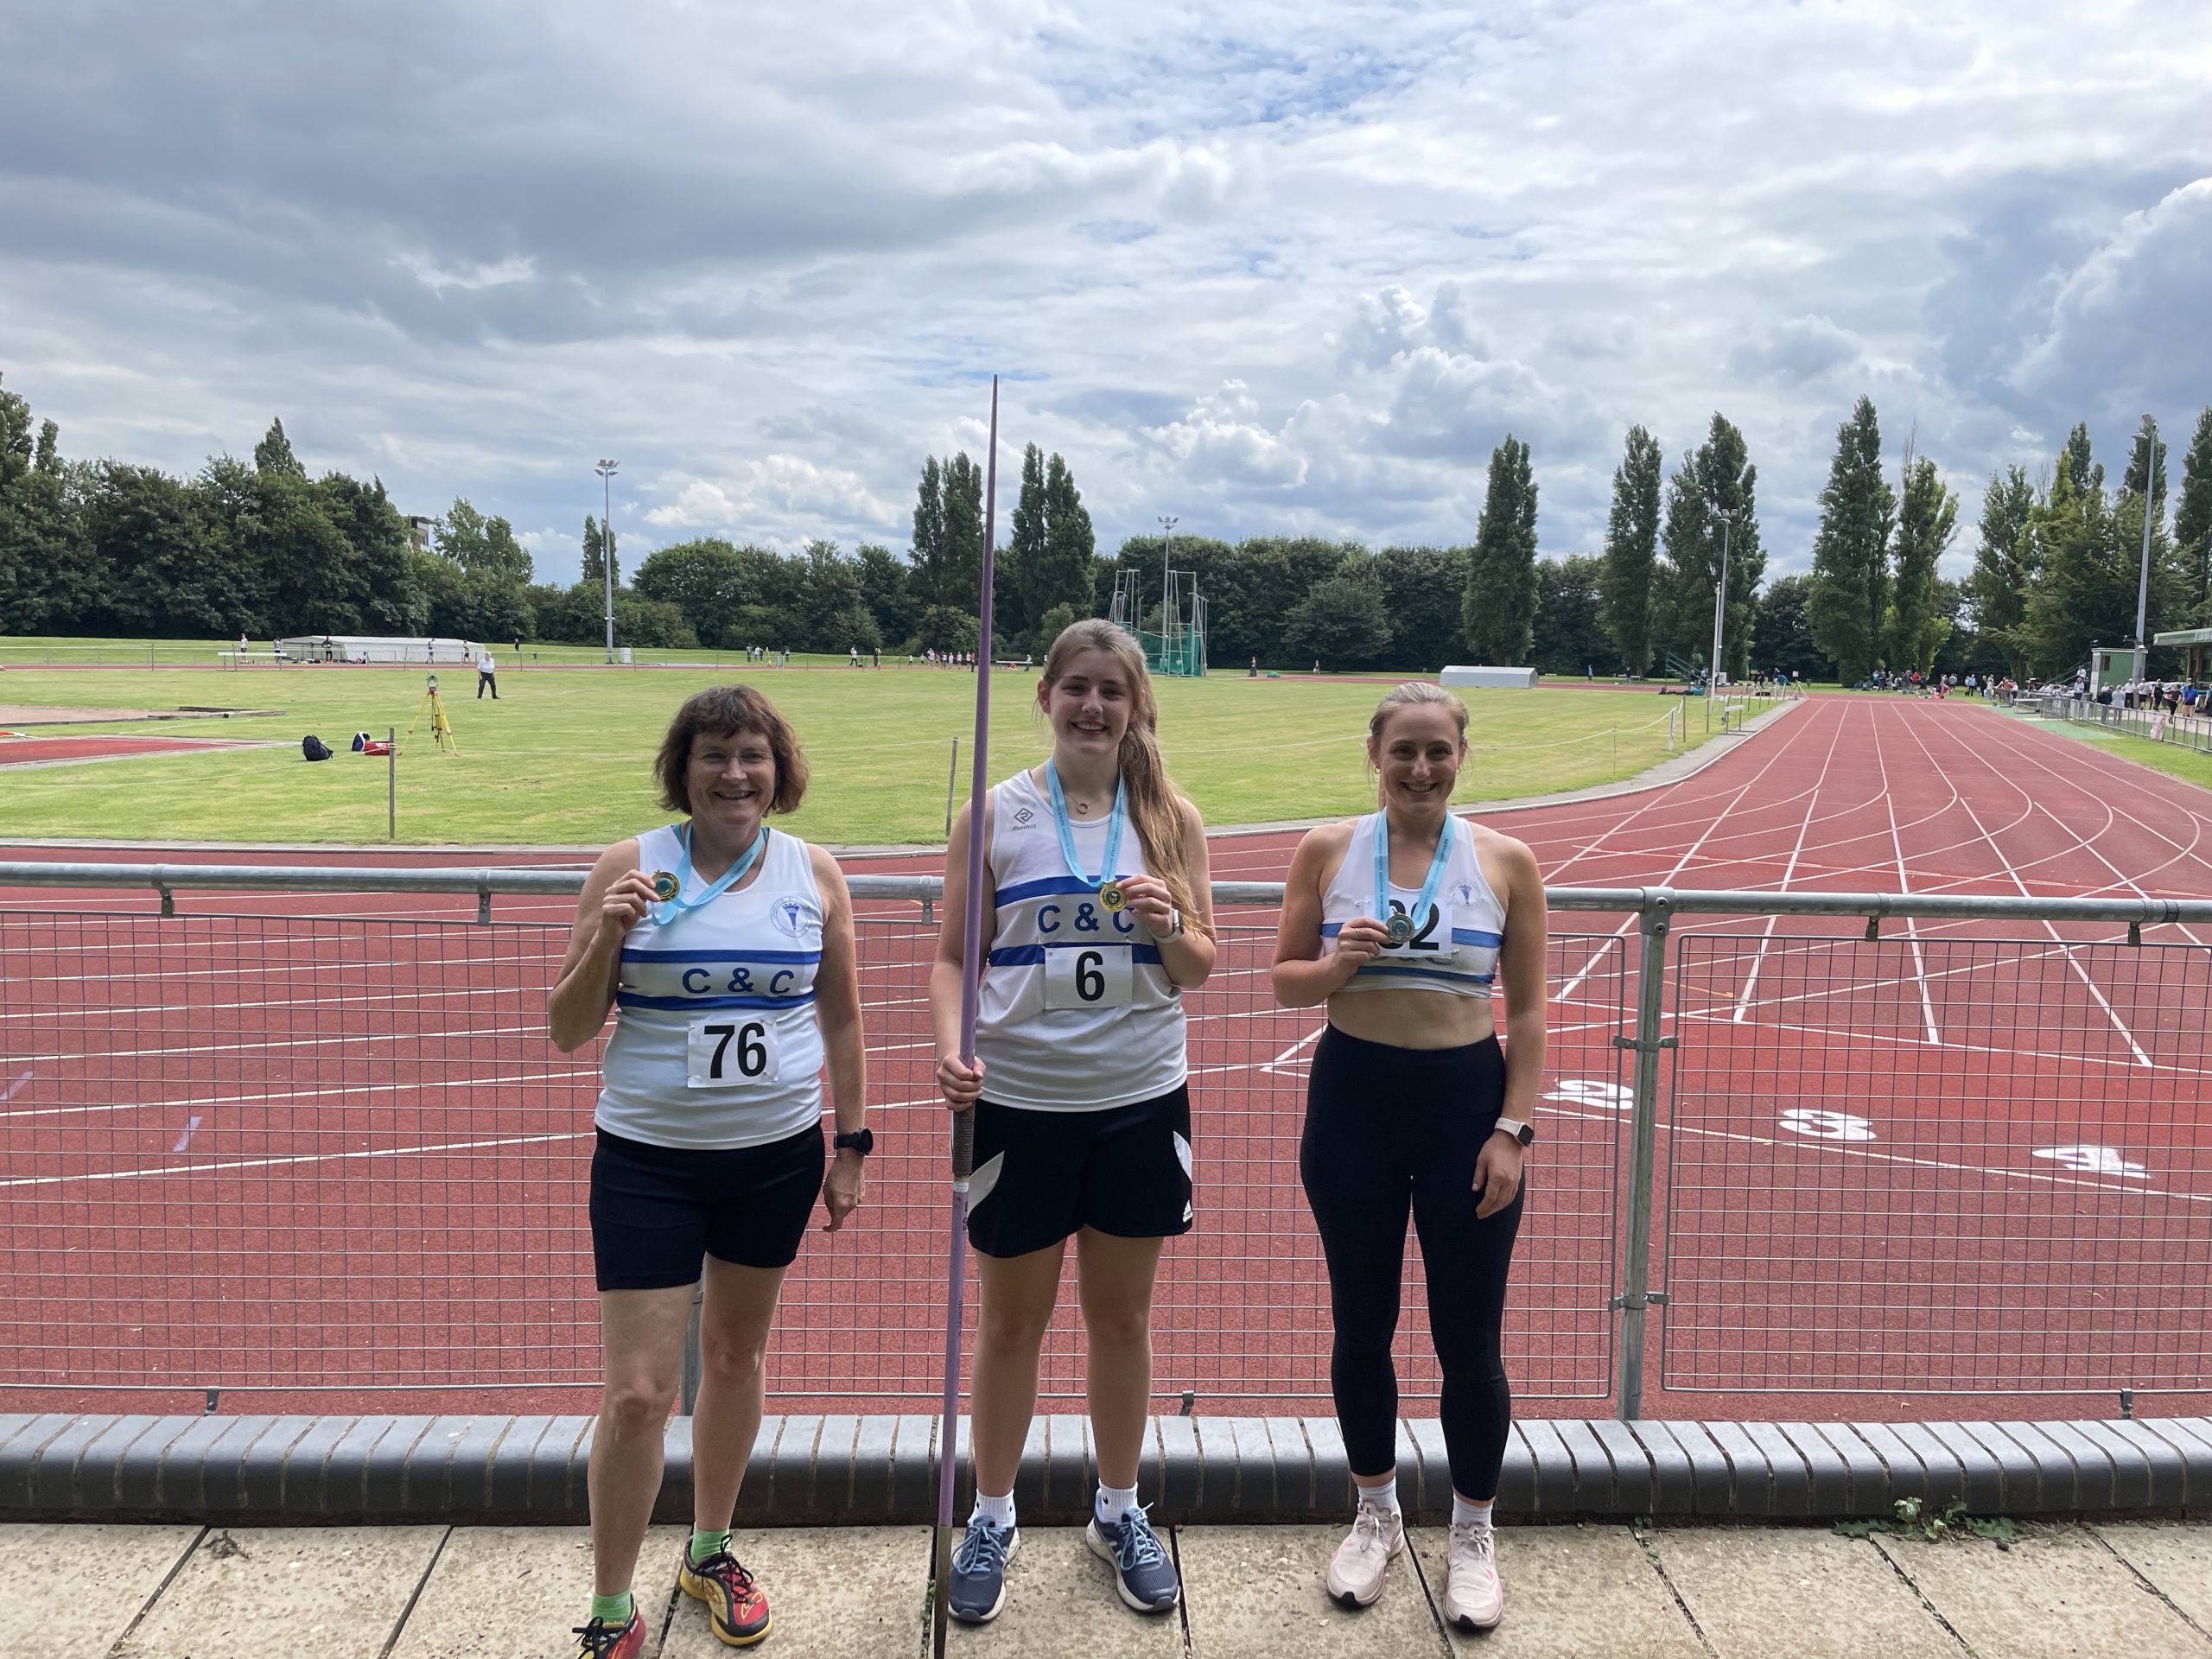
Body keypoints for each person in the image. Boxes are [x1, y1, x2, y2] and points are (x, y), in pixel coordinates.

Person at [547, 685, 871, 1659]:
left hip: (774, 1156)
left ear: (780, 768)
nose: (736, 774)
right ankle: (611, 1607)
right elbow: (566, 1030)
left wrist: (850, 1145)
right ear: (681, 770)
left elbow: (844, 1018)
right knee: (639, 1392)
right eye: (715, 756)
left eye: (754, 755)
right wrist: (608, 931)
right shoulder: (627, 867)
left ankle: (710, 1549)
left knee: (733, 1360)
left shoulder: (814, 874)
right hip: (648, 1160)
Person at [932, 620, 1217, 1624]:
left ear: (1137, 705)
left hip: (1139, 1100)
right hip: (1022, 1102)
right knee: (1012, 1321)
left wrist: (1169, 924)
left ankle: (1118, 1507)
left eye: (1112, 691)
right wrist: (951, 1046)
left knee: (1121, 1319)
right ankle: (992, 1514)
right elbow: (954, 957)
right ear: (1044, 695)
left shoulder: (1169, 817)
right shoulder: (996, 815)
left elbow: (1198, 969)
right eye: (1077, 688)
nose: (1093, 706)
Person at [1269, 680, 1547, 1633]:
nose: (1420, 768)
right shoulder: (1328, 850)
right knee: (1363, 1324)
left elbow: (1530, 1011)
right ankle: (1375, 1513)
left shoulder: (1506, 860)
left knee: (1468, 1339)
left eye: (1437, 751)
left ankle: (1472, 1530)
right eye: (1403, 752)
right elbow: (1283, 984)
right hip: (1353, 1104)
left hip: (1465, 1105)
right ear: (1373, 756)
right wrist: (1335, 965)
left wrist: (1511, 1130)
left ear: (1461, 757)